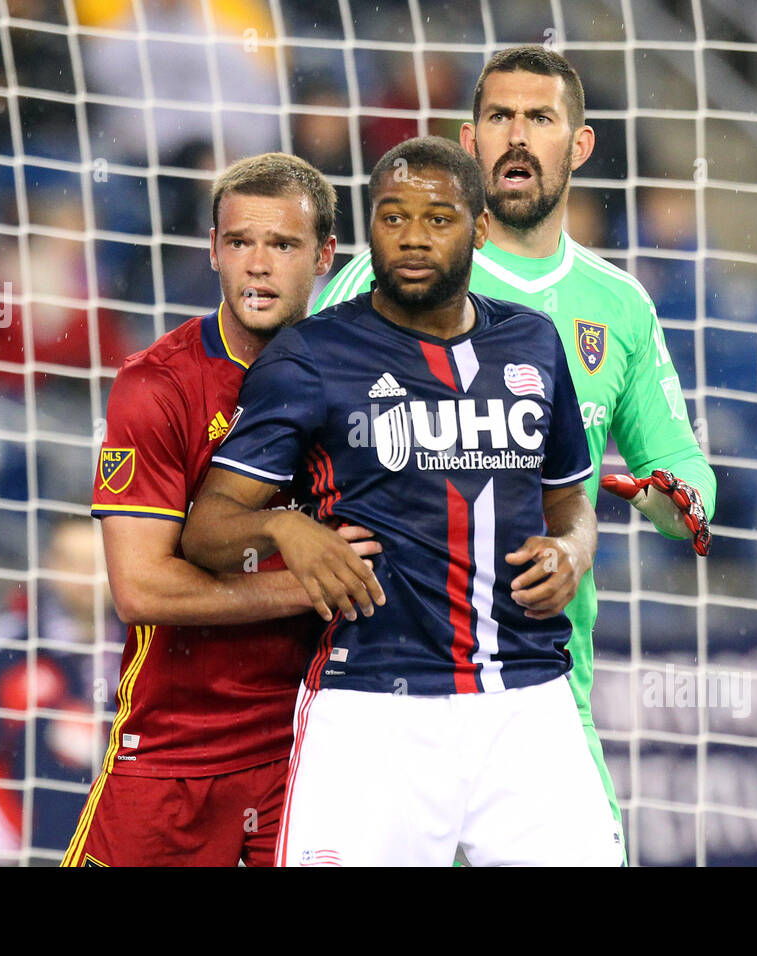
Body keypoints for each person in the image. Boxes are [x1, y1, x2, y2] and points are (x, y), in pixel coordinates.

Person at [313, 46, 716, 861]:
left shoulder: (618, 307)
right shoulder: (377, 279)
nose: (517, 138)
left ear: (581, 145)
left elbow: (689, 482)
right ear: (469, 139)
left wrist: (650, 492)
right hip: (388, 685)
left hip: (543, 685)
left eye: (540, 119)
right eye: (500, 117)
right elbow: (293, 437)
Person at [181, 136, 622, 866]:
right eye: (392, 217)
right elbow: (207, 529)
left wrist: (571, 549)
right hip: (372, 707)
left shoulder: (534, 345)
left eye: (438, 218)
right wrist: (287, 528)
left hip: (528, 700)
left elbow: (571, 501)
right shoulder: (310, 356)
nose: (413, 237)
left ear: (479, 230)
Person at [62, 153, 379, 867]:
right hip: (172, 751)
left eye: (284, 245)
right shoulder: (159, 386)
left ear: (325, 255)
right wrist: (307, 582)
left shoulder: (364, 382)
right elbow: (142, 588)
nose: (258, 266)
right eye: (240, 243)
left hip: (310, 751)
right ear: (213, 250)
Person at [0, 518, 122, 862]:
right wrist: (16, 853)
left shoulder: (151, 647)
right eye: (71, 561)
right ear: (49, 564)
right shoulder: (1, 647)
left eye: (97, 563)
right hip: (40, 851)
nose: (84, 577)